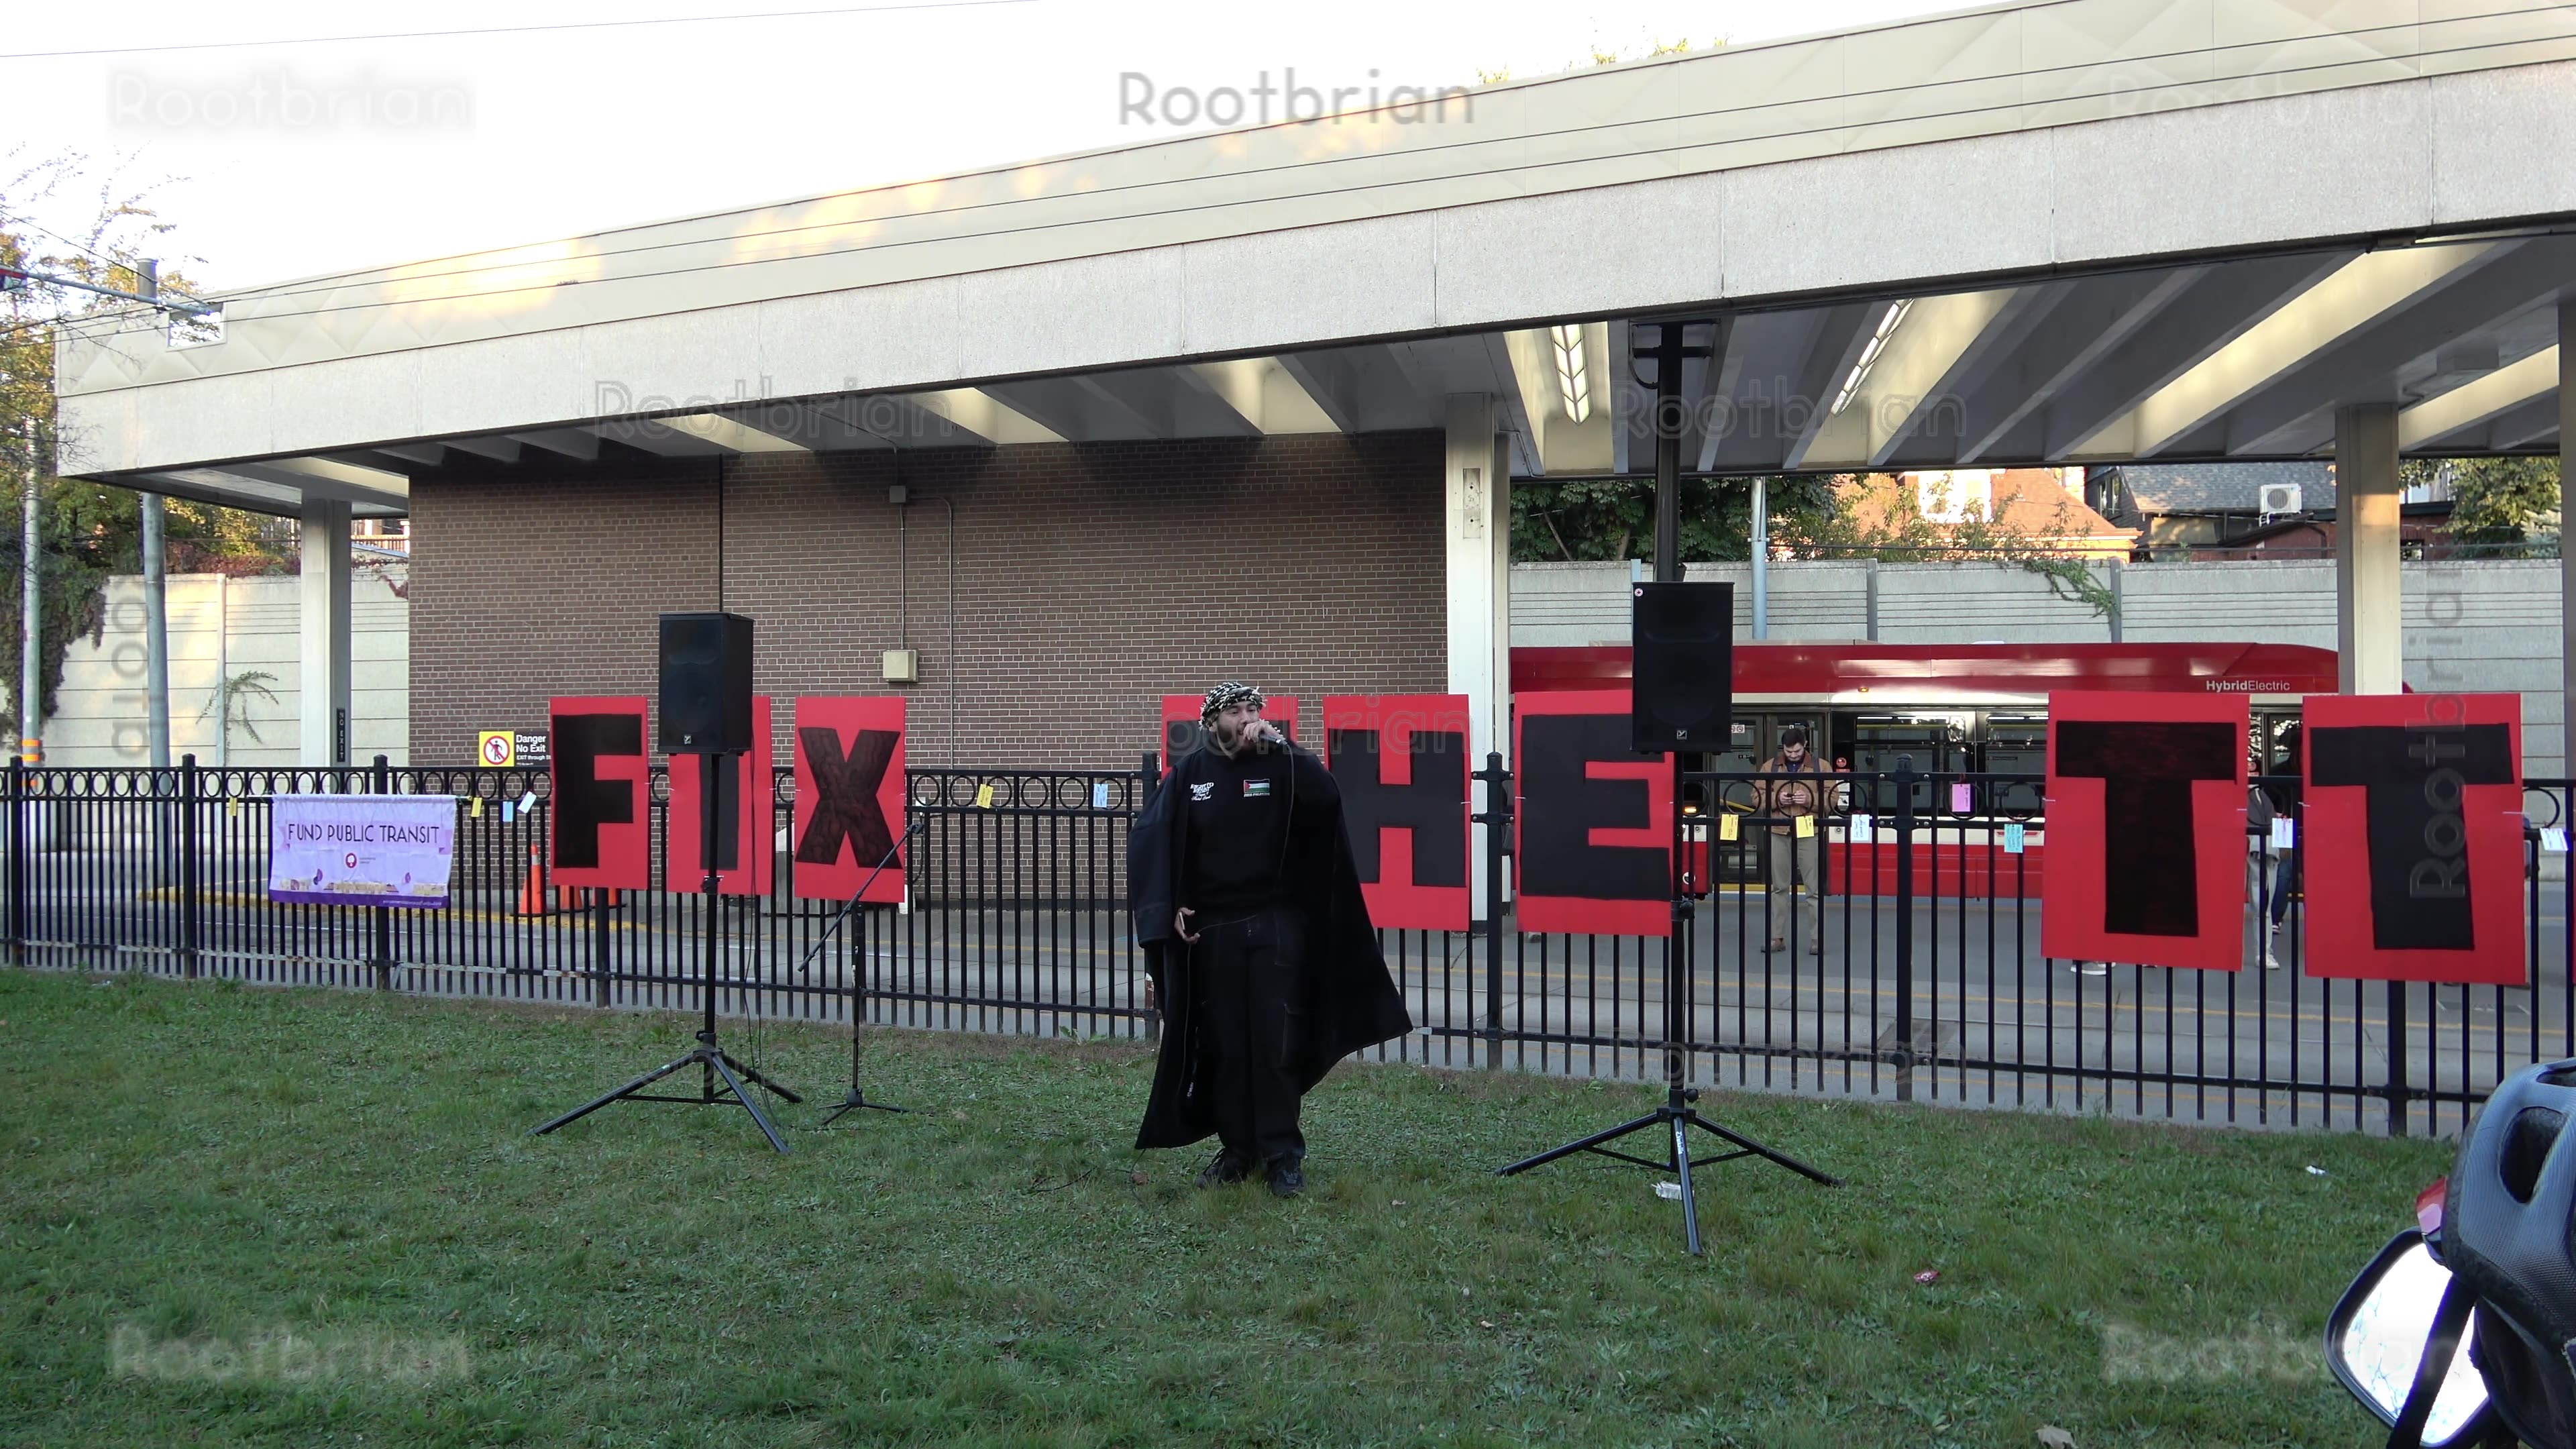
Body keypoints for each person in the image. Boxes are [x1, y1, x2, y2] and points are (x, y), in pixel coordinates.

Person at [1128, 682, 1411, 1198]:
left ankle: (1283, 1156)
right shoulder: (1191, 775)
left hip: (1276, 926)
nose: (1248, 717)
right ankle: (1239, 1151)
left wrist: (1290, 750)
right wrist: (1169, 907)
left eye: (1253, 708)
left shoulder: (1283, 765)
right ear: (1212, 722)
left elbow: (1327, 801)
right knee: (1226, 1044)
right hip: (1214, 931)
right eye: (1235, 710)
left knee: (1276, 1043)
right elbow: (1152, 840)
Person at [1754, 727, 1841, 955]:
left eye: (1797, 751)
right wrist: (1776, 798)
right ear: (1783, 748)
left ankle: (1816, 940)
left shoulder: (1821, 766)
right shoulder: (1770, 766)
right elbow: (1756, 796)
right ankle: (1776, 938)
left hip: (1808, 829)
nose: (1793, 755)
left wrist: (1810, 800)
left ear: (1805, 746)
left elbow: (1833, 799)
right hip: (1778, 830)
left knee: (1813, 889)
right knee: (1779, 888)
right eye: (1789, 751)